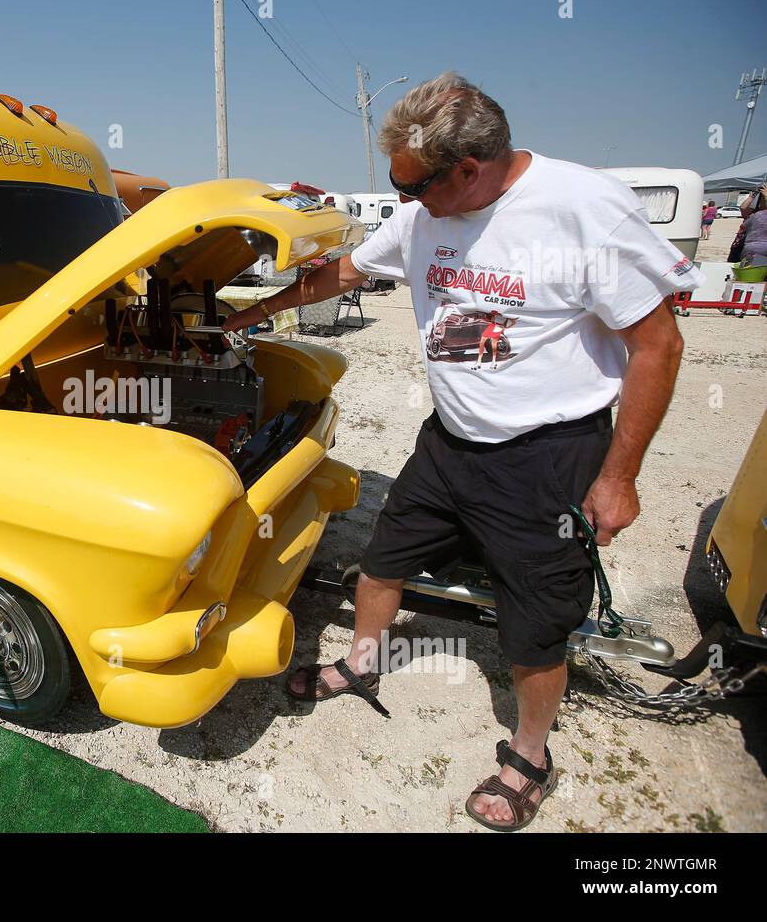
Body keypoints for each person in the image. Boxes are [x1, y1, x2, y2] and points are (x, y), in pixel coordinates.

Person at [224, 72, 691, 831]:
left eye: (412, 188)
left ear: (468, 170)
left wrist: (620, 477)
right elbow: (343, 272)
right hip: (447, 444)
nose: (405, 204)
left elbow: (659, 343)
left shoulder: (583, 210)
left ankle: (529, 756)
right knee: (380, 563)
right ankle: (364, 660)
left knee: (535, 623)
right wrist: (255, 311)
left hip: (548, 458)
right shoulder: (423, 216)